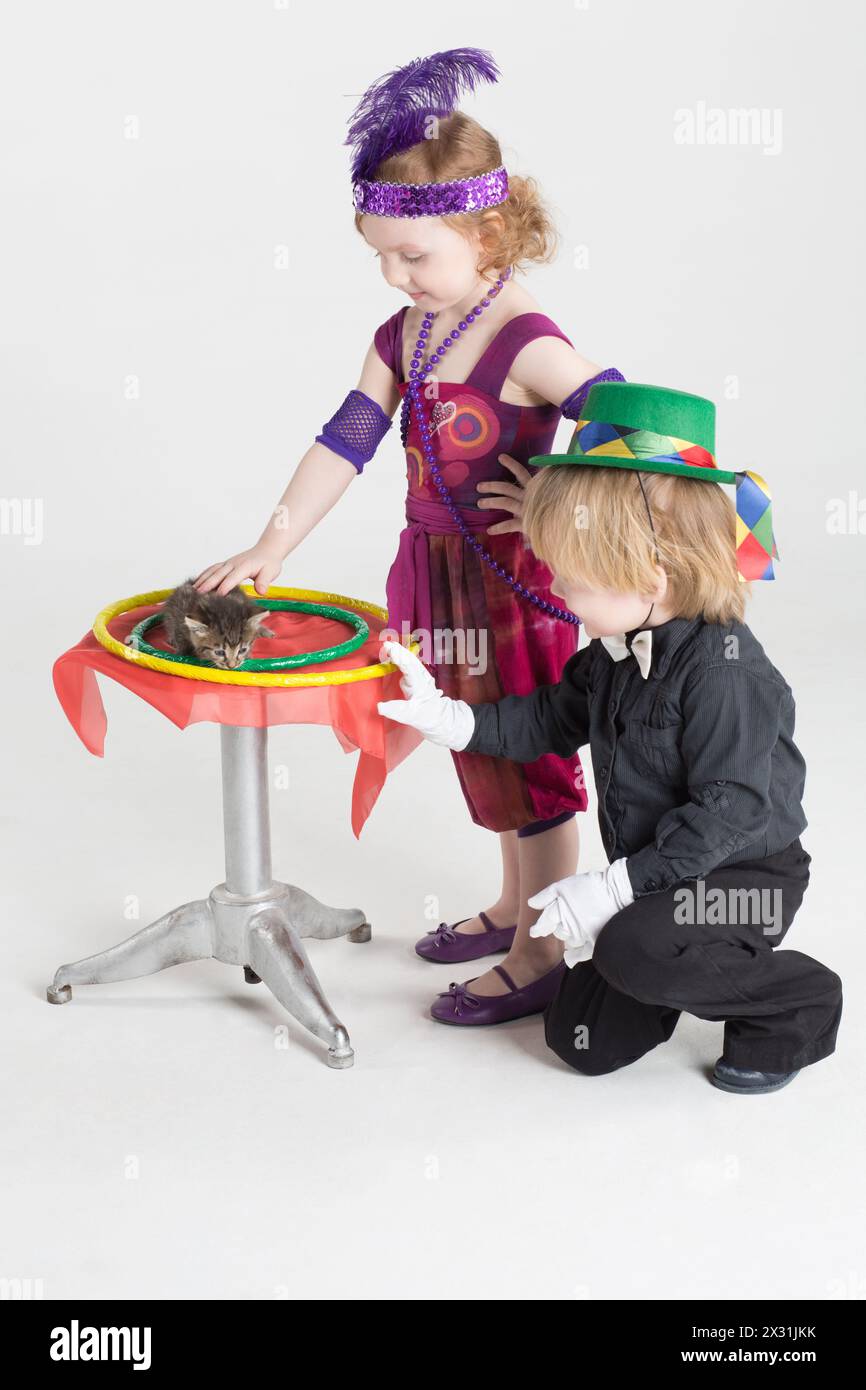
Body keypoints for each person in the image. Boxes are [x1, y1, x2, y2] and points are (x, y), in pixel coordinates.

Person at [193, 49, 624, 1020]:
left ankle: (543, 946)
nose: (393, 275)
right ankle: (517, 902)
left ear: (489, 226)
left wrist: (556, 496)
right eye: (378, 255)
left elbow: (632, 422)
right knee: (479, 745)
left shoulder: (525, 338)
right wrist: (273, 544)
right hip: (431, 576)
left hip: (509, 587)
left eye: (412, 255)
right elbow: (348, 435)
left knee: (532, 759)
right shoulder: (403, 334)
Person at [378, 381, 843, 1092]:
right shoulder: (613, 653)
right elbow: (544, 720)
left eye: (575, 577)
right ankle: (660, 959)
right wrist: (449, 716)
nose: (559, 591)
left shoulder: (727, 677)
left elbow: (729, 814)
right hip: (662, 873)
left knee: (634, 949)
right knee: (579, 1042)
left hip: (746, 881)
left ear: (651, 578)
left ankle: (797, 1002)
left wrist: (612, 888)